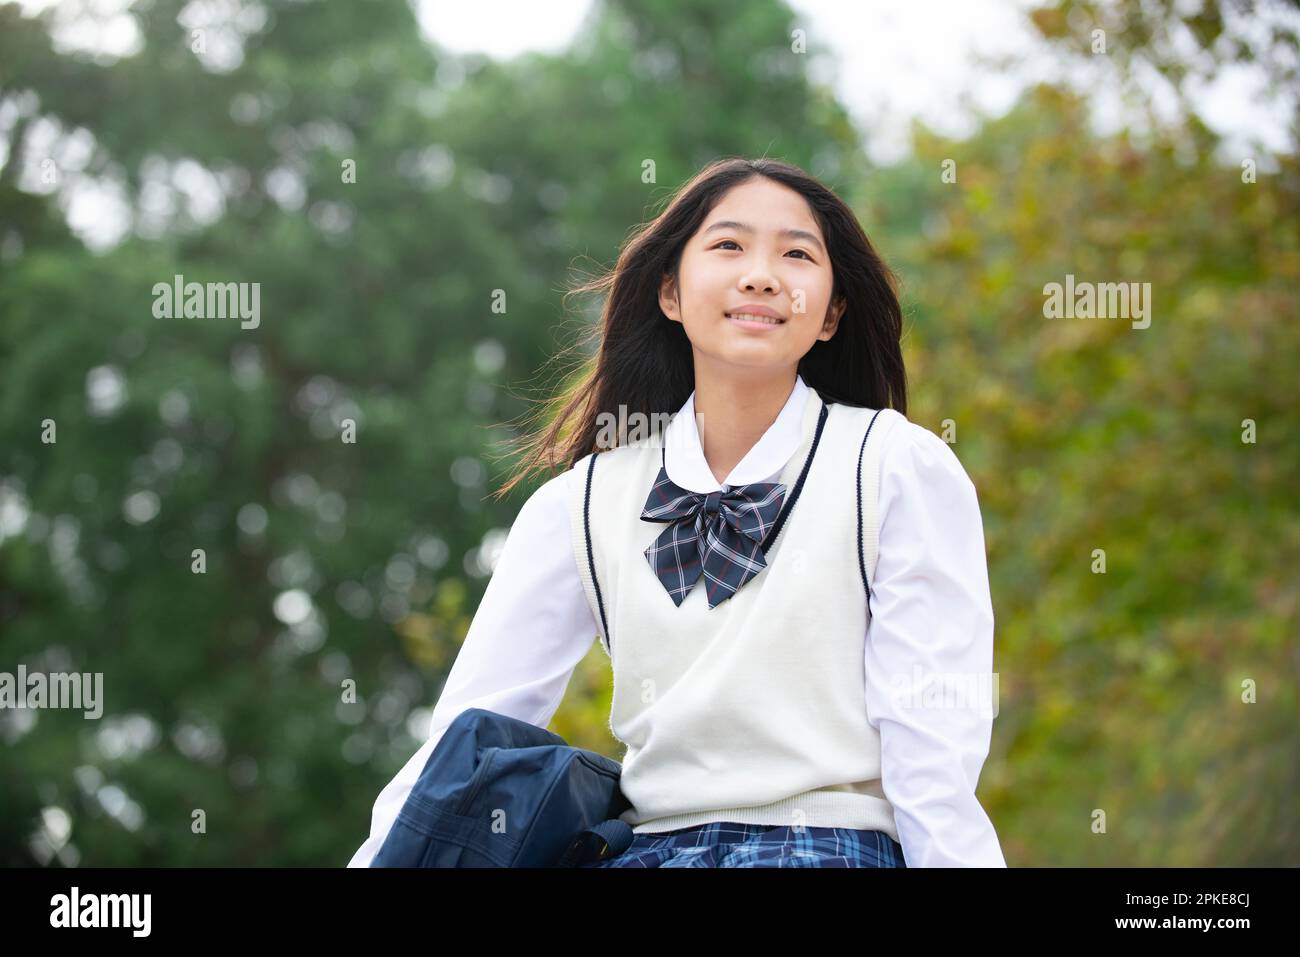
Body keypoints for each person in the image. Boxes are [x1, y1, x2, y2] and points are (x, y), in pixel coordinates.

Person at [349, 157, 1006, 868]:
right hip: (644, 849)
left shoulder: (896, 467)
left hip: (831, 844)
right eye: (728, 245)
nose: (761, 273)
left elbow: (934, 746)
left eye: (796, 253)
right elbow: (463, 741)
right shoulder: (580, 503)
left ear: (832, 313)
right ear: (669, 290)